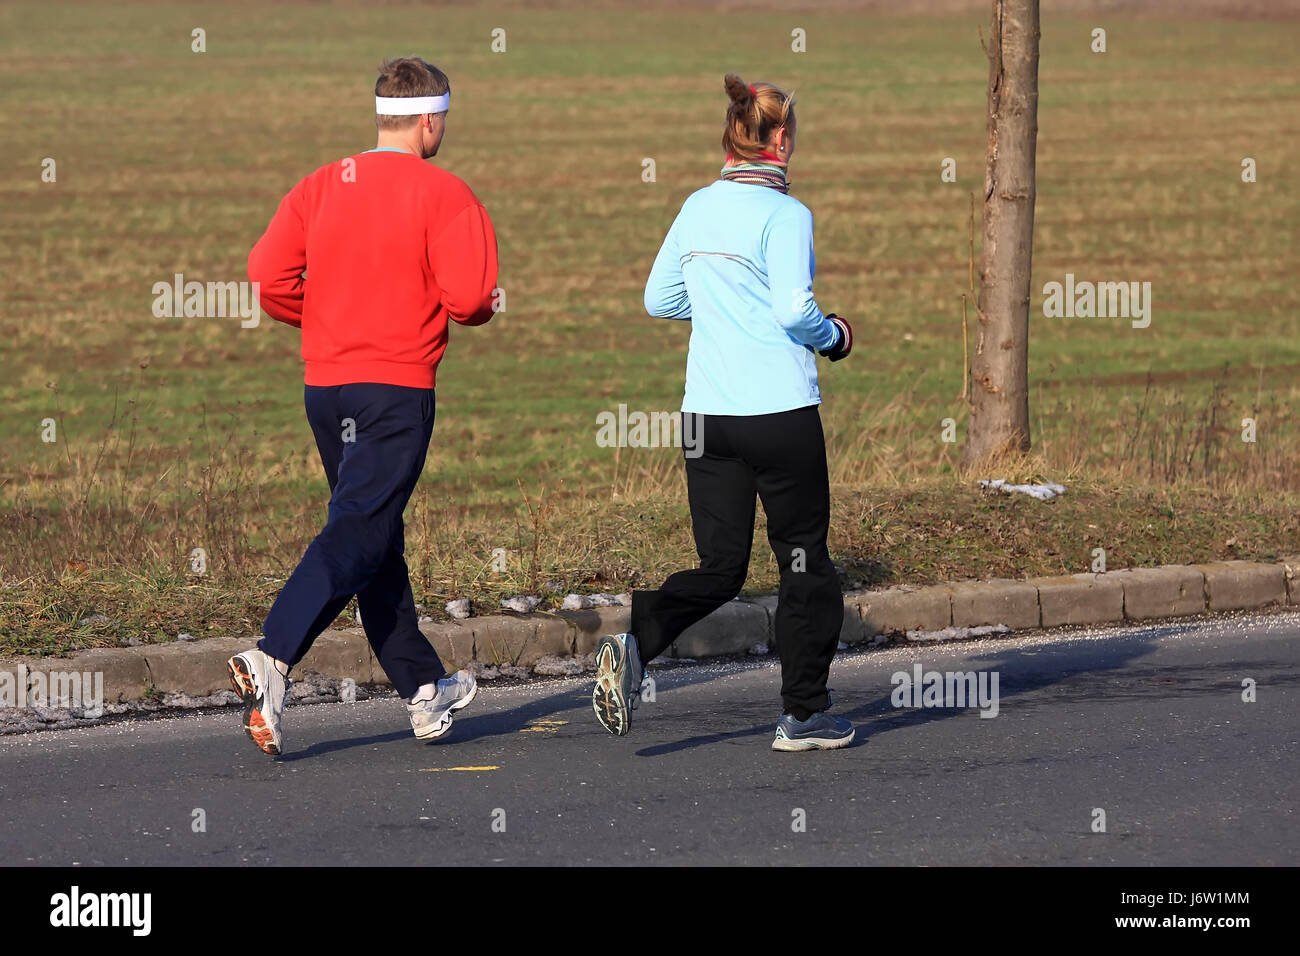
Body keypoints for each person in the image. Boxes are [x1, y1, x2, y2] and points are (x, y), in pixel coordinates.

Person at [230, 57, 498, 755]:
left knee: (374, 533)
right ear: (431, 120)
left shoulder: (321, 184)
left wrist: (320, 317)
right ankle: (273, 656)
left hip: (327, 386)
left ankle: (422, 688)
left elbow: (266, 276)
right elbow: (472, 300)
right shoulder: (446, 194)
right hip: (395, 388)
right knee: (358, 527)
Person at [592, 74, 855, 752]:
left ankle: (638, 638)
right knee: (802, 563)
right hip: (780, 415)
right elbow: (795, 309)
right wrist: (835, 336)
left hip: (707, 417)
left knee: (721, 567)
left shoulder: (696, 206)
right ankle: (803, 714)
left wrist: (716, 311)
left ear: (731, 138)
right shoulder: (787, 216)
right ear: (782, 141)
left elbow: (658, 299)